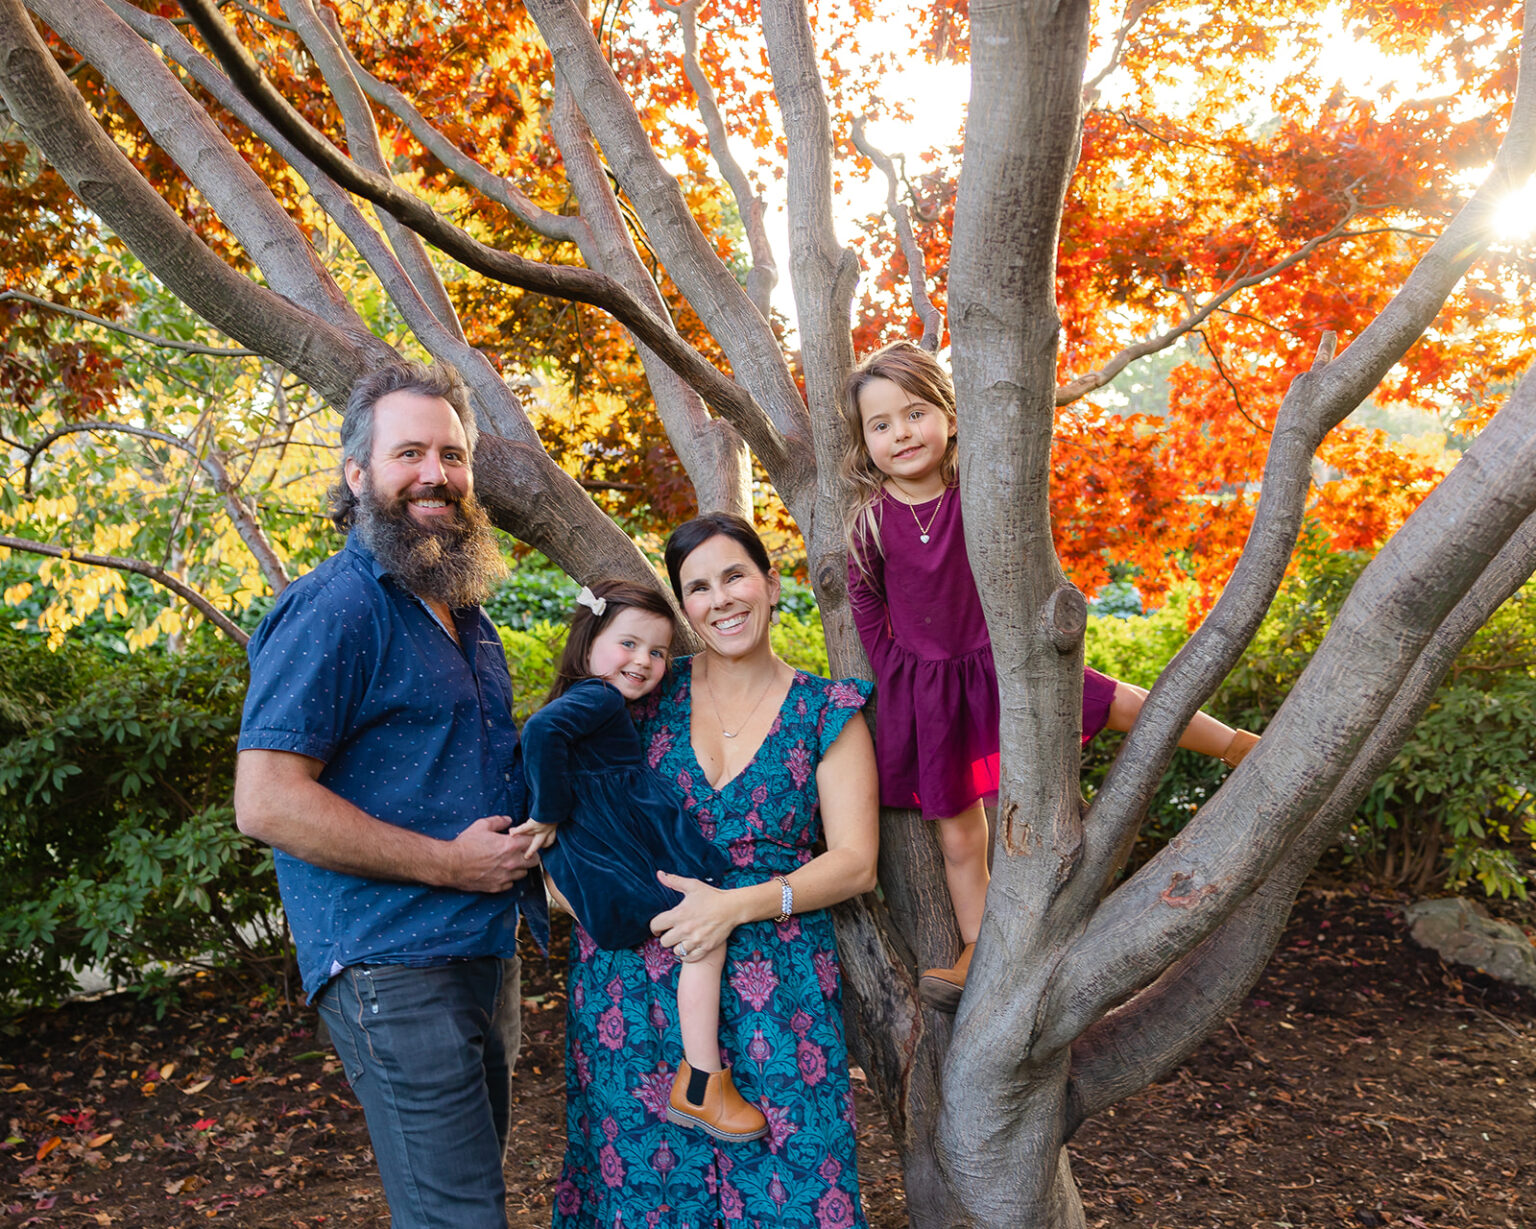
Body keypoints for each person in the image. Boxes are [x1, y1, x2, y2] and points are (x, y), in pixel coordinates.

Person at [841, 340, 1261, 1011]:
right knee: (957, 827)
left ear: (949, 414)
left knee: (1120, 701)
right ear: (864, 443)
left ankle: (1238, 744)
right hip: (931, 685)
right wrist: (895, 668)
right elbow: (866, 596)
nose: (901, 434)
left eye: (915, 413)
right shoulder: (869, 521)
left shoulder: (975, 487)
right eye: (881, 425)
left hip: (1004, 659)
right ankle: (978, 945)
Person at [233, 359, 541, 1228]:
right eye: (409, 452)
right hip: (392, 964)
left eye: (451, 453)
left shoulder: (461, 610)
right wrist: (449, 863)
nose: (435, 473)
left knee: (465, 1200)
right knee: (460, 1218)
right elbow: (266, 800)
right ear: (359, 473)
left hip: (480, 951)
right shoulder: (336, 609)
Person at [553, 513, 879, 1229]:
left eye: (735, 575)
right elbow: (565, 810)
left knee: (793, 1192)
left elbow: (855, 863)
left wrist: (735, 906)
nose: (721, 598)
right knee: (646, 1199)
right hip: (635, 991)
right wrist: (590, 895)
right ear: (684, 608)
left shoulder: (827, 709)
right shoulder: (639, 695)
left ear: (770, 581)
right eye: (697, 587)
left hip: (780, 996)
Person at [514, 579, 769, 1143]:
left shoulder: (599, 700)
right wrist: (550, 811)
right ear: (587, 644)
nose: (643, 661)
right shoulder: (597, 697)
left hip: (615, 838)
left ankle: (701, 1078)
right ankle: (702, 1079)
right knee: (705, 920)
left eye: (656, 652)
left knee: (696, 920)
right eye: (627, 644)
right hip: (623, 840)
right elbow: (540, 730)